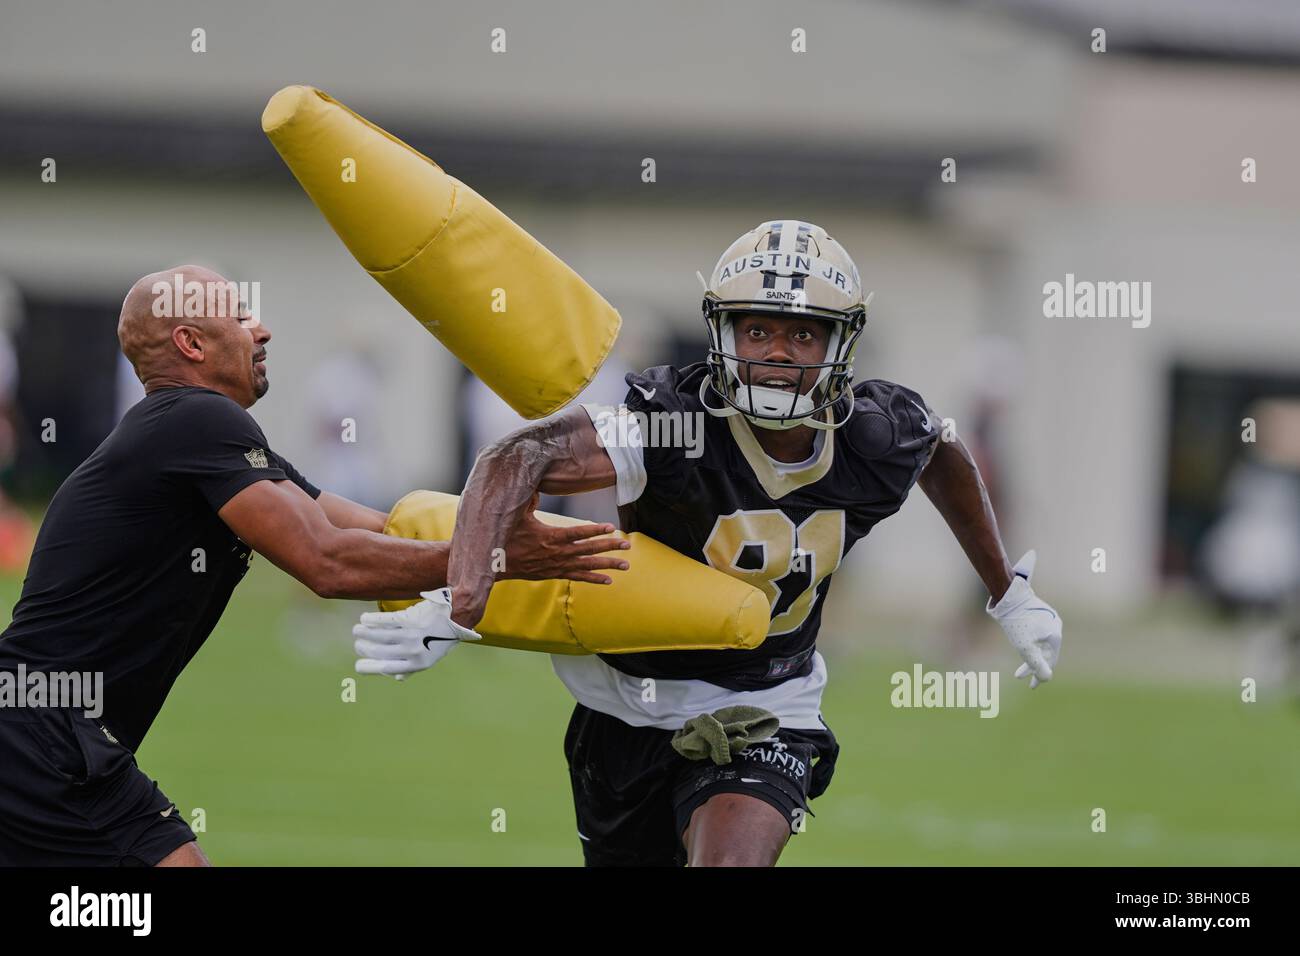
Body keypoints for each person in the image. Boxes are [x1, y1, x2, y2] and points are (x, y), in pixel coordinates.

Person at [357, 221, 1064, 867]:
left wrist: (1007, 591)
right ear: (722, 335)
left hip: (767, 706)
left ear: (841, 344)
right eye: (758, 331)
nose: (780, 354)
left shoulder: (875, 432)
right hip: (623, 706)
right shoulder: (677, 423)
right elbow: (518, 456)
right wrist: (463, 599)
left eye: (804, 334)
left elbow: (940, 451)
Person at [0, 264, 628, 867]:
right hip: (48, 739)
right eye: (241, 315)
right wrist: (493, 559)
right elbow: (326, 564)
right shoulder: (197, 419)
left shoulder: (198, 431)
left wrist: (501, 527)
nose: (262, 328)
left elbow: (372, 526)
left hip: (41, 733)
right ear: (190, 343)